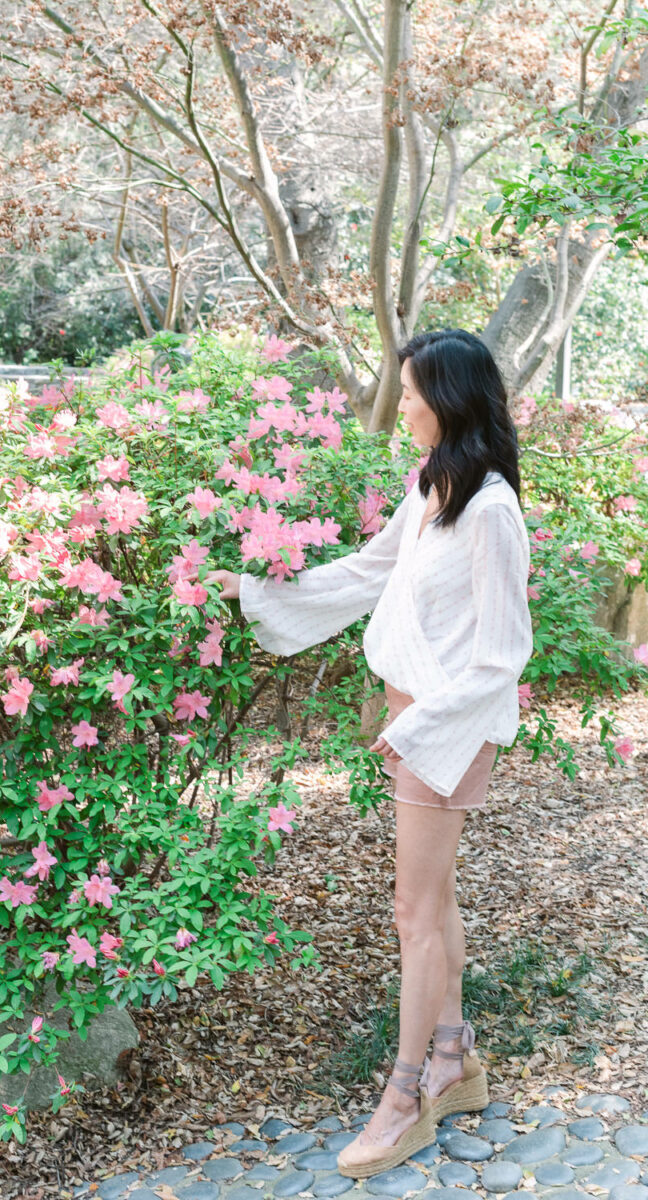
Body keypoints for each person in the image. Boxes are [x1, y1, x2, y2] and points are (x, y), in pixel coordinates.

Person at [203, 329, 533, 1179]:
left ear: (451, 400)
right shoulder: (432, 484)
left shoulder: (490, 508)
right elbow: (366, 573)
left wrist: (421, 727)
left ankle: (404, 1096)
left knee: (412, 918)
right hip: (416, 725)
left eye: (416, 392)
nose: (405, 405)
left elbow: (502, 655)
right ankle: (454, 1057)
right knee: (436, 901)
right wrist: (251, 590)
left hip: (443, 730)